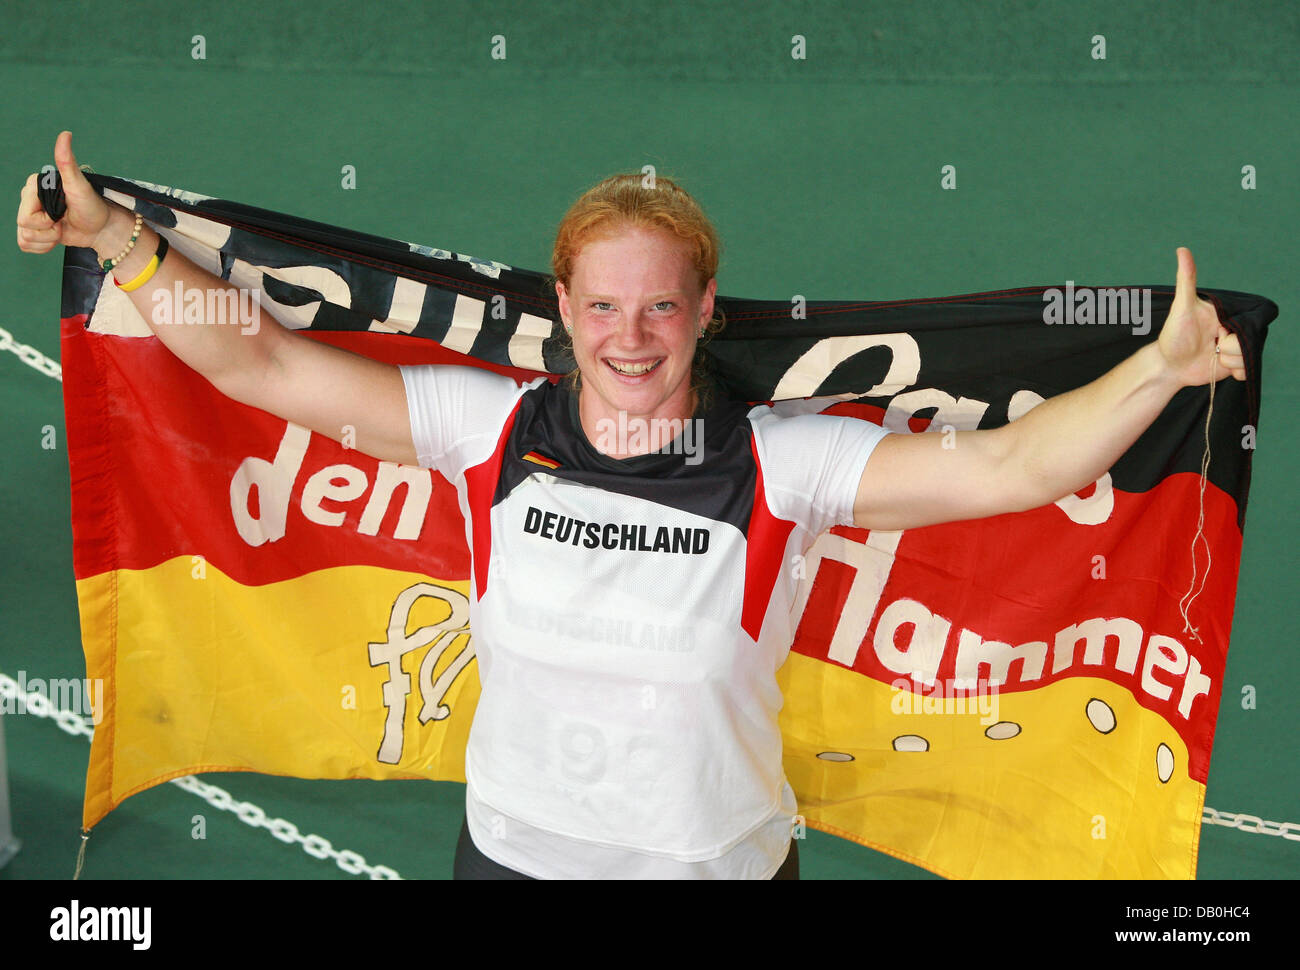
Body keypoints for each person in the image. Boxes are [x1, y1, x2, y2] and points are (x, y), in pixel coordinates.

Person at [17, 131, 1247, 880]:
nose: (630, 336)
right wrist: (121, 239)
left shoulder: (781, 462)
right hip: (512, 864)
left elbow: (1012, 470)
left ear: (707, 309)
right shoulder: (490, 428)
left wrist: (1155, 367)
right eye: (602, 306)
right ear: (563, 306)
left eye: (660, 306)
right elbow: (262, 365)